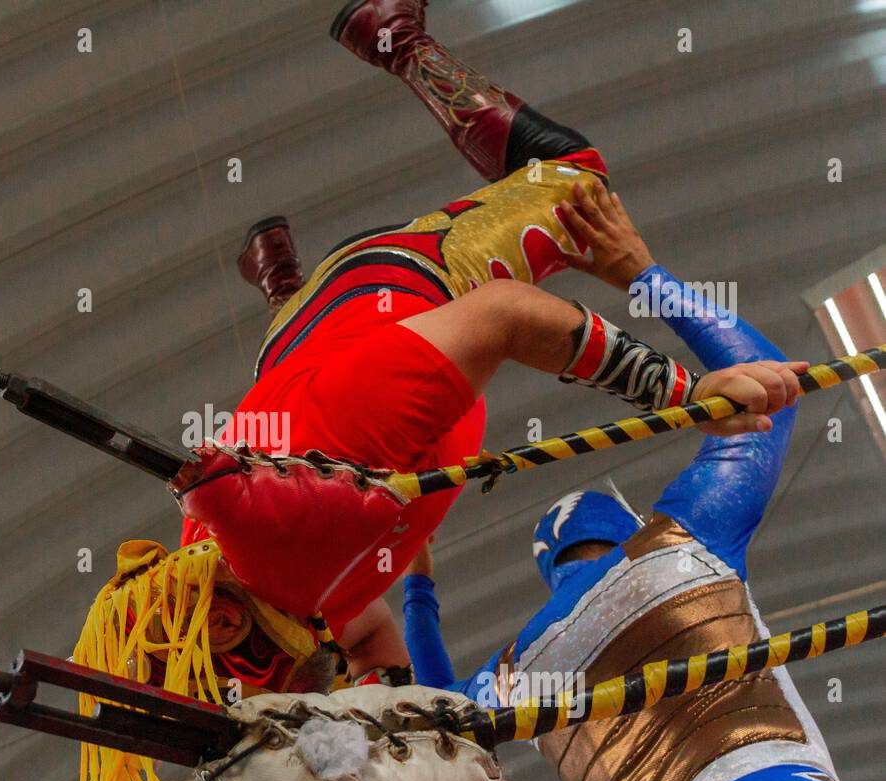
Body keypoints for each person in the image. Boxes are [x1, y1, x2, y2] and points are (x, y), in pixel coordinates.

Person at [210, 0, 790, 687]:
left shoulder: (532, 671)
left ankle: (398, 41)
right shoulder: (266, 580)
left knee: (577, 180)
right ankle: (281, 285)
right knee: (309, 383)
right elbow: (381, 661)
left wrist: (680, 380)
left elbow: (506, 314)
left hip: (381, 291)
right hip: (286, 353)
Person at [401, 185, 886, 781]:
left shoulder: (514, 675)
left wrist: (415, 579)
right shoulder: (679, 540)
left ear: (551, 570)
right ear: (625, 525)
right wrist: (640, 274)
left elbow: (437, 715)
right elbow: (770, 392)